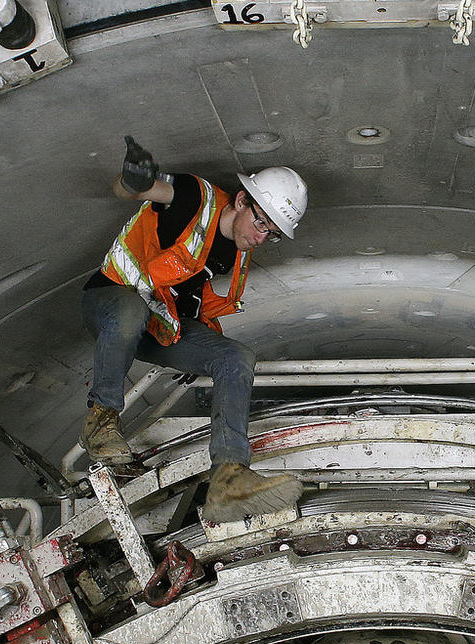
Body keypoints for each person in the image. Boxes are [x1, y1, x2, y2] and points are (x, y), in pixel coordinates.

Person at [80, 136, 309, 521]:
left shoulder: (235, 251)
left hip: (160, 323)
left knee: (236, 357)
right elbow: (133, 190)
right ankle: (100, 422)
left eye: (271, 233)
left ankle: (228, 478)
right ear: (240, 200)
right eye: (261, 222)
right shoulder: (193, 198)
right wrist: (134, 178)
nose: (261, 237)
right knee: (132, 310)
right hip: (111, 301)